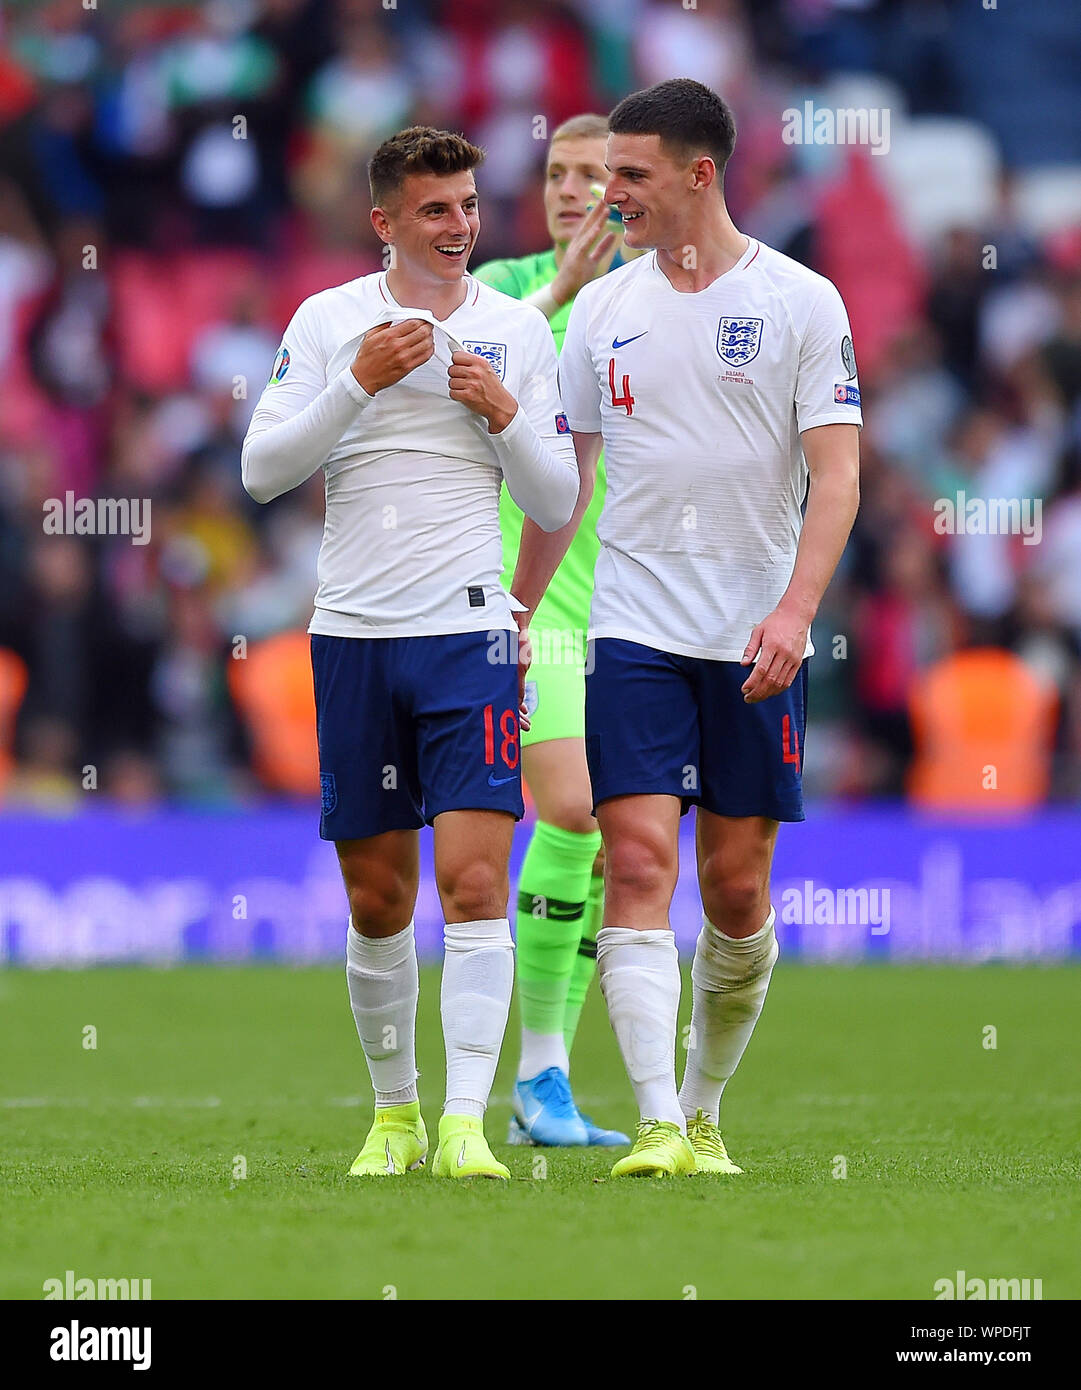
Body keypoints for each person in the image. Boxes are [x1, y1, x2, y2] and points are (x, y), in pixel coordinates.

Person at [241, 127, 579, 1181]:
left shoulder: (516, 332)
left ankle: (466, 1122)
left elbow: (556, 498)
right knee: (378, 899)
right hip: (352, 635)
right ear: (384, 221)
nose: (460, 227)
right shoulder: (329, 321)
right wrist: (353, 386)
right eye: (436, 210)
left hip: (470, 634)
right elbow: (261, 469)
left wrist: (505, 413)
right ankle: (395, 1114)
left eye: (471, 206)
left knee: (476, 883)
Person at [557, 79, 862, 1177]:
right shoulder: (600, 309)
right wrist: (509, 599)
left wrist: (794, 610)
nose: (609, 193)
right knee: (635, 860)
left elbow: (837, 479)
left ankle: (701, 1108)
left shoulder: (800, 301)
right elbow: (567, 481)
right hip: (632, 625)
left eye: (630, 174)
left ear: (698, 174)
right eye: (603, 173)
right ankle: (650, 1123)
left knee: (735, 887)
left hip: (753, 636)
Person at [473, 113, 640, 1148]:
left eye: (594, 174)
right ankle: (531, 1072)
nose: (571, 189)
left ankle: (550, 1082)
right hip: (527, 597)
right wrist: (564, 293)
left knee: (626, 844)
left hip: (641, 603)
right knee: (572, 810)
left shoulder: (668, 296)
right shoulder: (498, 288)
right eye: (557, 172)